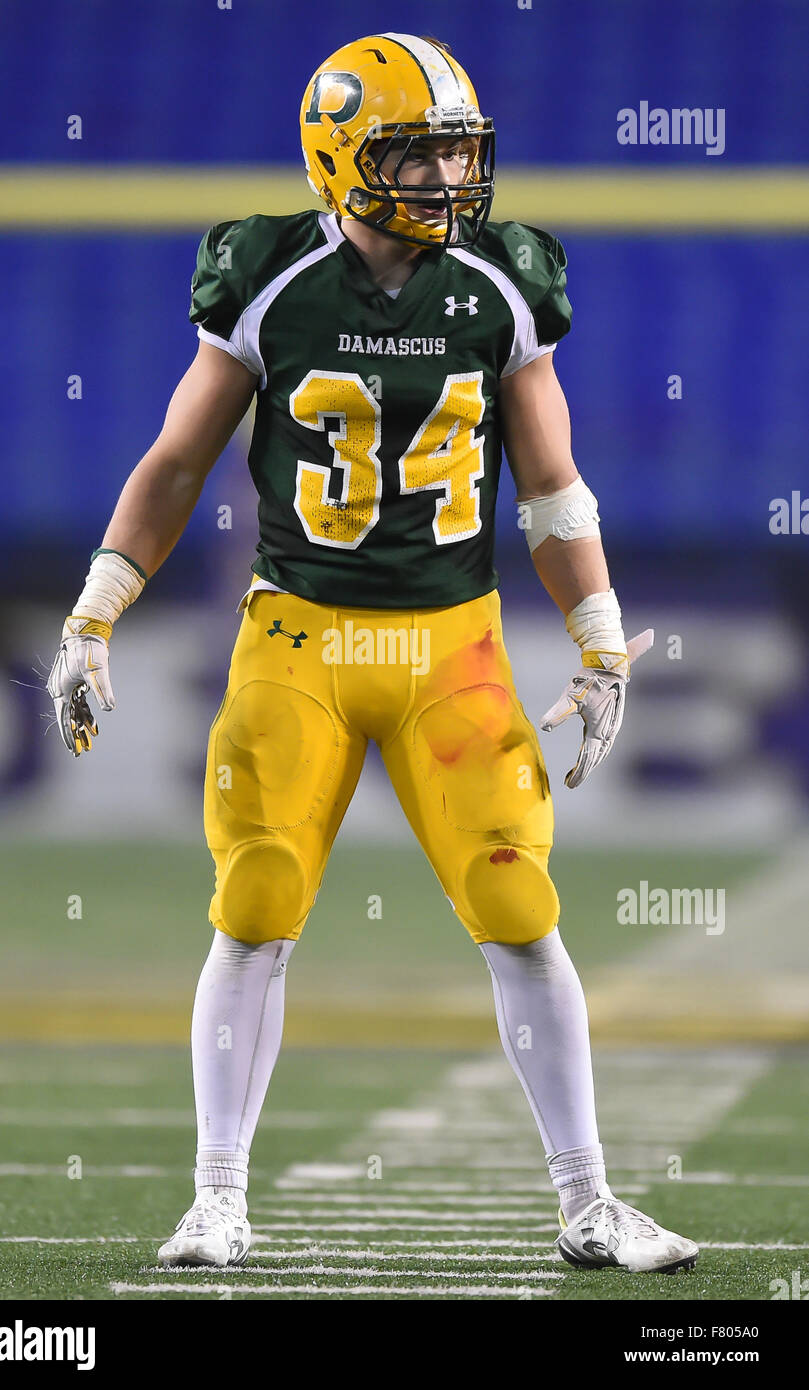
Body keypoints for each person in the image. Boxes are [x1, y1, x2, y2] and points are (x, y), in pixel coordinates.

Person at [47, 32, 697, 1275]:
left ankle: (587, 1204)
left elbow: (553, 485)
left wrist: (601, 638)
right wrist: (94, 608)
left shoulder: (504, 279)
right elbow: (177, 459)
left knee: (518, 903)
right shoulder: (265, 274)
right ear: (340, 156)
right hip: (296, 637)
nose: (448, 177)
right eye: (415, 151)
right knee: (254, 905)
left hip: (452, 648)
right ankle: (218, 1197)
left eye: (458, 149)